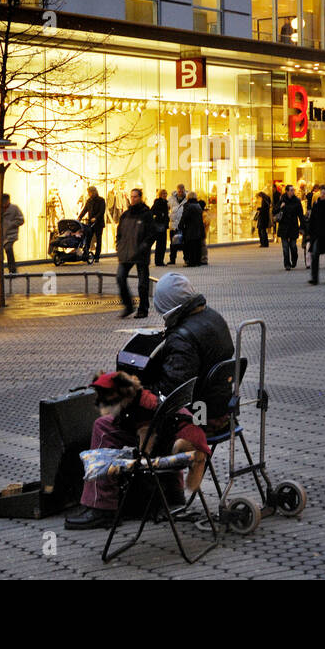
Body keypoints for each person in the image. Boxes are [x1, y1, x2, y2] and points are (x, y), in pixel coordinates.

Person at [65, 272, 232, 530]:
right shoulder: (214, 319)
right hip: (219, 415)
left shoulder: (183, 336)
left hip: (195, 423)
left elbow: (171, 394)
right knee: (167, 416)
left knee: (105, 426)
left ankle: (100, 505)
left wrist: (135, 392)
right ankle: (173, 494)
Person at [115, 188, 155, 318]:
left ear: (140, 197)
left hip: (140, 254)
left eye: (135, 197)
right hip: (126, 253)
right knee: (120, 277)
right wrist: (119, 245)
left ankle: (143, 309)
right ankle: (128, 306)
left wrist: (144, 246)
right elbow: (119, 232)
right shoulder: (126, 215)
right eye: (131, 197)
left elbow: (151, 234)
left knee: (142, 284)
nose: (133, 199)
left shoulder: (146, 214)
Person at [276, 184, 304, 270]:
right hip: (284, 226)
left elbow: (300, 214)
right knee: (285, 247)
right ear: (287, 191)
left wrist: (302, 226)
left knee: (293, 246)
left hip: (293, 226)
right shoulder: (282, 200)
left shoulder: (297, 201)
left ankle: (294, 259)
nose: (293, 192)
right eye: (291, 190)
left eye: (293, 190)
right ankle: (287, 264)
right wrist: (280, 207)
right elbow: (274, 210)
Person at [78, 186, 107, 263]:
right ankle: (86, 254)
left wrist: (96, 218)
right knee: (88, 238)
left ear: (94, 192)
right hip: (90, 222)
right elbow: (85, 210)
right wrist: (79, 217)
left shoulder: (101, 200)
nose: (89, 194)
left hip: (98, 223)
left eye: (90, 193)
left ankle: (97, 256)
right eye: (88, 193)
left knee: (98, 239)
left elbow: (102, 211)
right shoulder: (89, 201)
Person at [178, 191, 206, 267]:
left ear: (188, 197)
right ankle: (197, 261)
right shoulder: (198, 205)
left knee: (190, 246)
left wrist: (180, 225)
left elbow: (184, 217)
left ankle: (191, 262)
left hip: (190, 229)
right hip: (198, 229)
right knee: (197, 246)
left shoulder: (188, 206)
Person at [0, 194, 24, 274]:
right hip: (1, 234)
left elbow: (21, 220)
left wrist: (11, 224)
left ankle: (12, 269)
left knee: (8, 249)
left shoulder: (14, 208)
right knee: (0, 252)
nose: (4, 203)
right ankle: (0, 269)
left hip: (11, 234)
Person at [167, 184, 187, 265]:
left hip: (184, 225)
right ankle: (172, 259)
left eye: (182, 191)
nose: (180, 192)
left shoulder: (187, 198)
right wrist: (169, 216)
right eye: (179, 191)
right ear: (177, 190)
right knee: (173, 244)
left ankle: (186, 259)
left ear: (184, 190)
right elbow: (167, 208)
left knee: (185, 243)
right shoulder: (171, 198)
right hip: (174, 224)